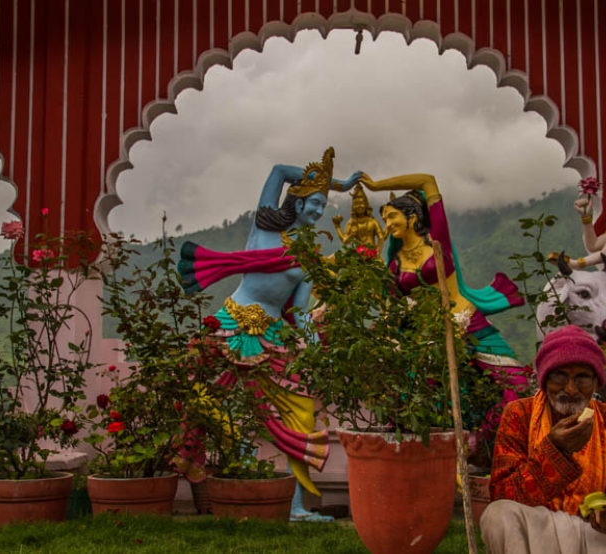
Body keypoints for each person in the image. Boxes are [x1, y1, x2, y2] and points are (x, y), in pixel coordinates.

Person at [175, 147, 361, 521]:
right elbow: (278, 170)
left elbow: (300, 312)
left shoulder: (305, 259)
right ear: (298, 200)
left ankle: (295, 506)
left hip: (274, 337)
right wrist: (335, 182)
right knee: (197, 391)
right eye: (315, 203)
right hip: (231, 323)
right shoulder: (264, 229)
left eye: (325, 206)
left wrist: (316, 347)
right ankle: (222, 476)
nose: (318, 211)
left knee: (301, 414)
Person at [358, 172, 527, 462]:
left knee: (517, 384)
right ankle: (443, 459)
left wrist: (375, 185)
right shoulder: (395, 263)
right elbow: (392, 304)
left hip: (467, 322)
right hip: (425, 338)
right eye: (385, 220)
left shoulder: (438, 242)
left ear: (412, 217)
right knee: (420, 401)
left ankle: (498, 444)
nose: (388, 226)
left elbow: (428, 181)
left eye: (392, 217)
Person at [482, 325, 606, 554]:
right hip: (541, 530)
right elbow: (502, 494)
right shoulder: (520, 414)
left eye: (582, 378)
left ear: (596, 383)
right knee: (498, 514)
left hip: (597, 536)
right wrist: (554, 450)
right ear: (545, 380)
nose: (570, 389)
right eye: (559, 376)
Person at [331, 182, 385, 251]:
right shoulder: (351, 222)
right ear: (353, 207)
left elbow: (381, 238)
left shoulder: (373, 221)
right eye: (356, 204)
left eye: (361, 203)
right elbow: (345, 241)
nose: (359, 206)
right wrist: (351, 234)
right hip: (357, 256)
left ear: (365, 205)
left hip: (372, 254)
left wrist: (377, 252)